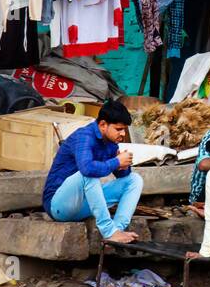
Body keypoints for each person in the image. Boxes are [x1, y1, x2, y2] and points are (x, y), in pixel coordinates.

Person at [43, 100, 143, 244]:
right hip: (59, 206)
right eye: (118, 129)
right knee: (89, 175)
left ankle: (116, 230)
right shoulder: (84, 136)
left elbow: (123, 176)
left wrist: (123, 165)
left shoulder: (111, 142)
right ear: (103, 125)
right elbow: (87, 168)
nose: (122, 134)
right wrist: (116, 162)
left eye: (124, 129)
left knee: (134, 179)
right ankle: (109, 232)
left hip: (84, 205)